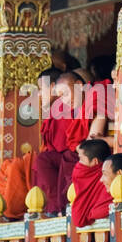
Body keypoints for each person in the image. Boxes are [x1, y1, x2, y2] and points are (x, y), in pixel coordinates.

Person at [33, 71, 91, 212]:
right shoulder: (62, 108)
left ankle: (63, 208)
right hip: (70, 152)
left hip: (86, 152)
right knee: (42, 160)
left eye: (65, 94)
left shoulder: (93, 98)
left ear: (78, 86)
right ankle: (53, 208)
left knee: (68, 157)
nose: (63, 101)